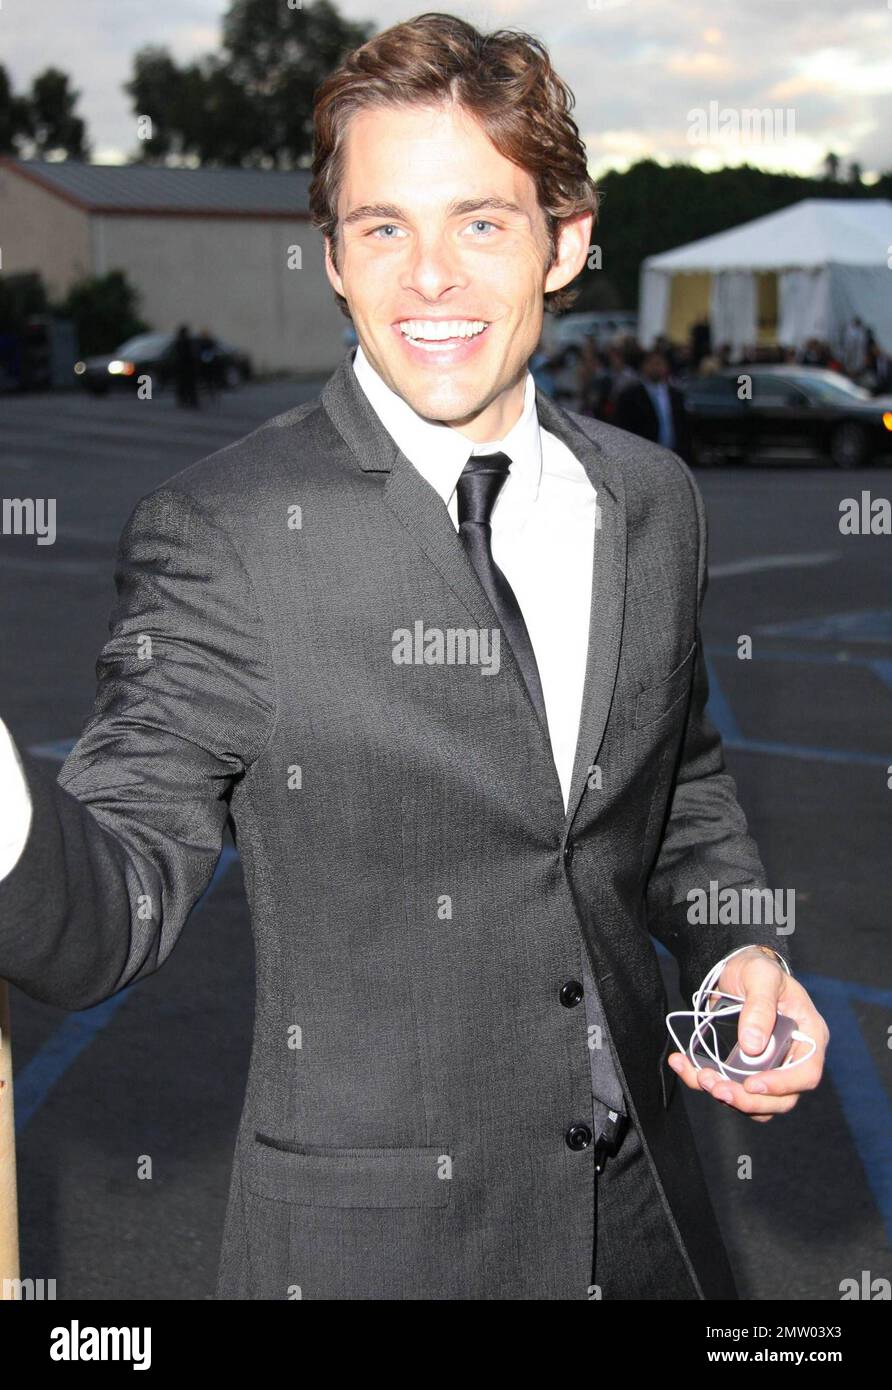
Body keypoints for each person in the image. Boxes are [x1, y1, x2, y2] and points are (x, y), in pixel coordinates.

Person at [0, 12, 827, 1301]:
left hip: (652, 1229)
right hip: (377, 1259)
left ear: (568, 242)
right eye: (382, 226)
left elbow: (682, 785)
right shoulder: (226, 534)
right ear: (332, 257)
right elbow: (109, 907)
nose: (428, 277)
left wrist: (737, 954)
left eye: (480, 222)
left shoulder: (652, 500)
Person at [613, 347, 692, 462]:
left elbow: (682, 425)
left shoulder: (676, 395)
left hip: (672, 456)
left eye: (660, 364)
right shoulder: (630, 395)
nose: (656, 368)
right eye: (652, 364)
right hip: (643, 456)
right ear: (644, 366)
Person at [172, 323, 199, 408]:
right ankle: (191, 401)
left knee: (182, 385)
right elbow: (192, 354)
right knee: (190, 385)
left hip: (182, 368)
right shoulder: (187, 342)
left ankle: (183, 400)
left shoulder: (179, 342)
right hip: (187, 367)